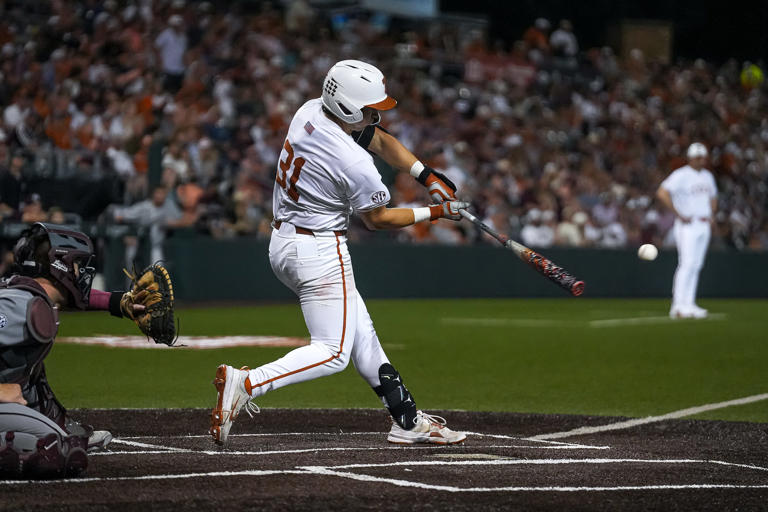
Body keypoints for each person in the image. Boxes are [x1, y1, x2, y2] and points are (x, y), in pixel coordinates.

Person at [210, 60, 469, 446]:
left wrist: (426, 175)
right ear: (348, 106)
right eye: (370, 108)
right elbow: (377, 219)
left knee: (362, 335)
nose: (375, 113)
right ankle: (246, 382)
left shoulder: (310, 110)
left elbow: (378, 138)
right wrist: (434, 211)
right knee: (333, 352)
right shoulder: (354, 163)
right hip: (318, 250)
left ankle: (408, 420)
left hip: (285, 243)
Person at [0, 223, 149, 477]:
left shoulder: (28, 299)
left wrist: (116, 302)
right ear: (60, 266)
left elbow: (76, 297)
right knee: (57, 449)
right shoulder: (23, 305)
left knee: (58, 438)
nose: (80, 273)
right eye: (77, 265)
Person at [656, 143, 718, 318]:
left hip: (703, 223)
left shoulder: (707, 176)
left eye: (702, 157)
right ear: (690, 158)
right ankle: (678, 305)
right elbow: (662, 192)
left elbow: (713, 196)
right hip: (688, 224)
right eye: (697, 157)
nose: (701, 160)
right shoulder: (681, 175)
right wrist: (678, 213)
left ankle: (689, 303)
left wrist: (712, 214)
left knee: (697, 265)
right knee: (687, 263)